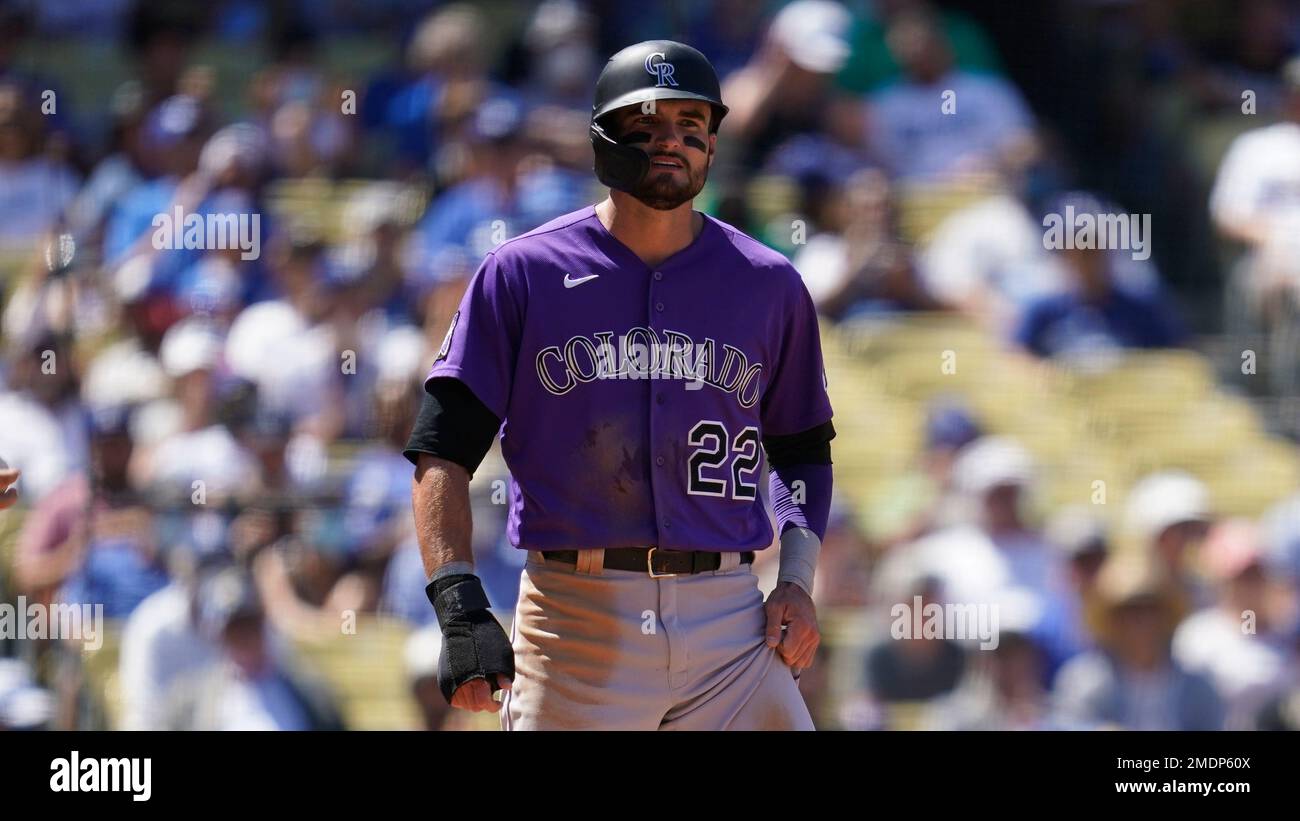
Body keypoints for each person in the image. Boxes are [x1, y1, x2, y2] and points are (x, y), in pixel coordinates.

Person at [405, 41, 835, 730]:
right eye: (650, 123)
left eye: (692, 126)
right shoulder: (523, 273)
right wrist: (458, 600)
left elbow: (803, 447)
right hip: (578, 618)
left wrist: (797, 577)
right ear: (604, 138)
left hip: (729, 617)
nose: (674, 141)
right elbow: (442, 447)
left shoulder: (769, 283)